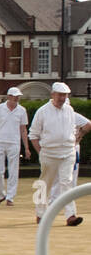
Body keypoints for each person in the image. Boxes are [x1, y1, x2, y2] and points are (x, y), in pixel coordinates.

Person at [29, 81, 90, 227]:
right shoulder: (42, 111)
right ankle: (40, 213)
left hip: (68, 152)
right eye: (60, 95)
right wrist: (41, 152)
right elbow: (33, 135)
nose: (62, 98)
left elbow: (83, 125)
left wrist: (78, 136)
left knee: (67, 183)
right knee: (45, 184)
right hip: (49, 153)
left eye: (65, 95)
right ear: (53, 95)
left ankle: (70, 215)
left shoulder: (69, 110)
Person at [0, 88, 30, 206]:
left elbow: (23, 130)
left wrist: (26, 148)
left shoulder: (22, 110)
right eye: (14, 96)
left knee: (13, 170)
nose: (17, 98)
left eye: (18, 96)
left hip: (14, 143)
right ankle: (1, 195)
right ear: (9, 96)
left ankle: (10, 197)